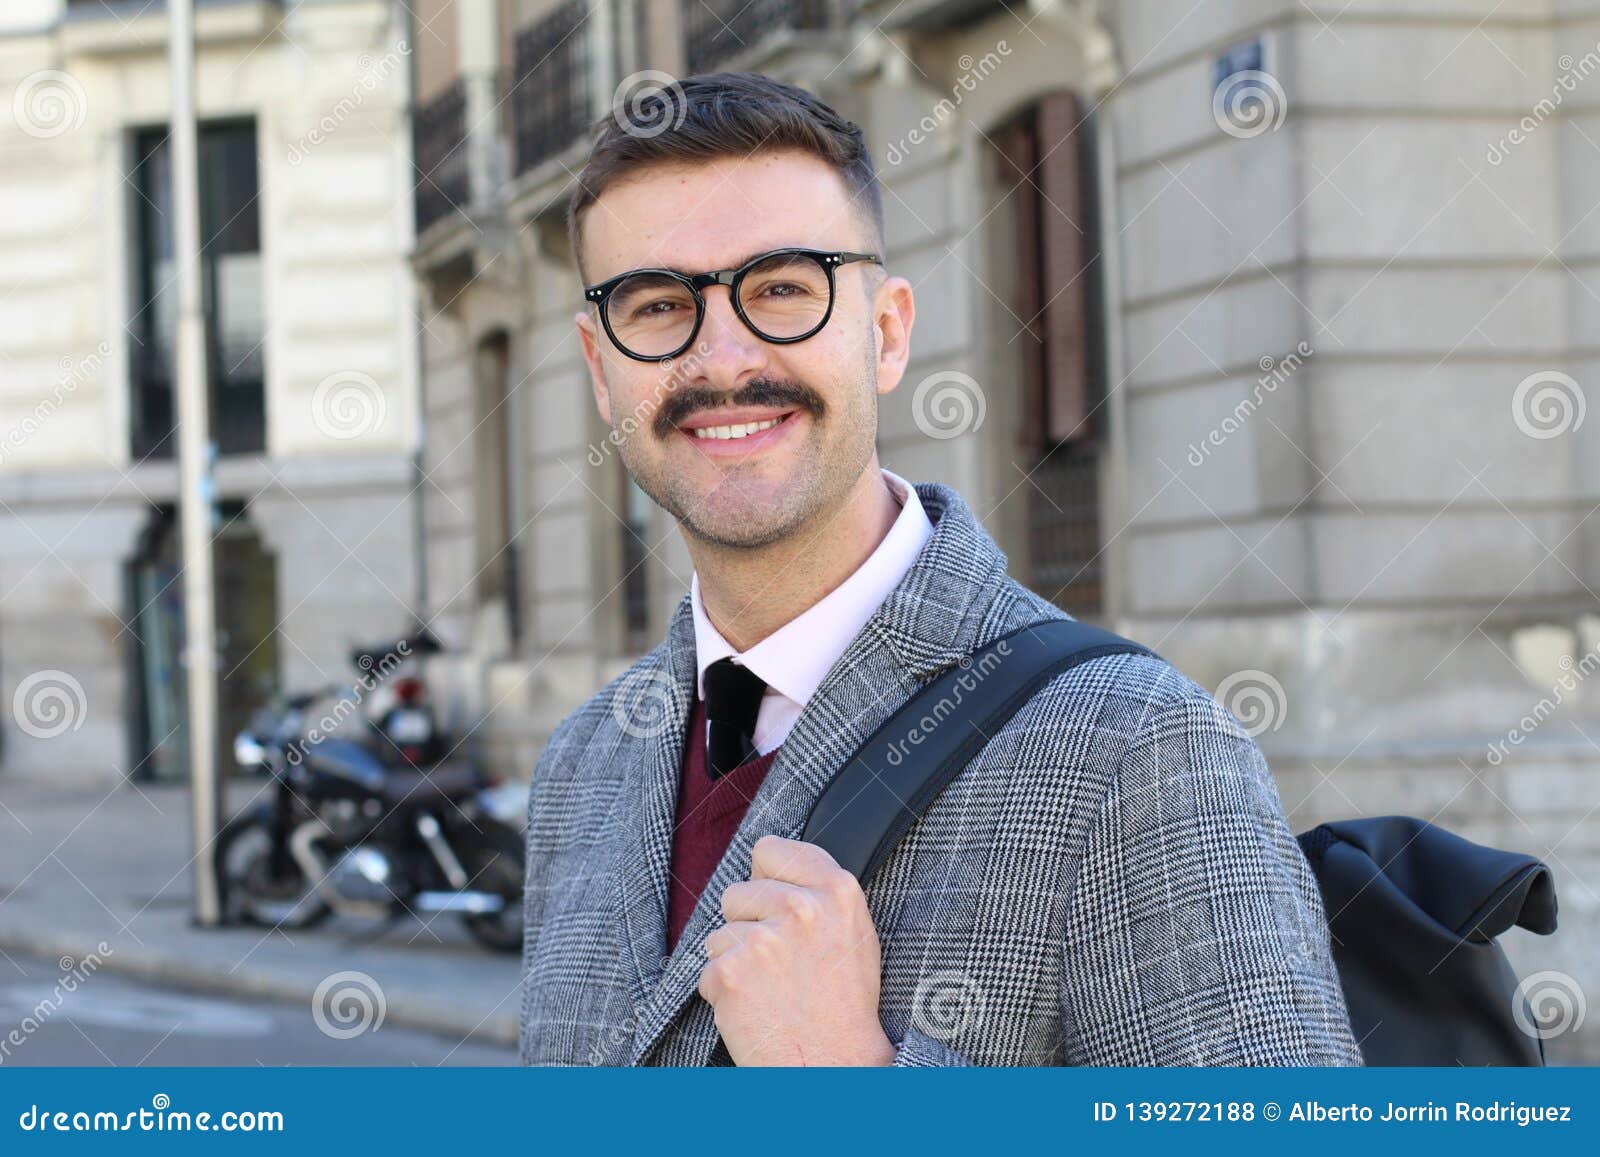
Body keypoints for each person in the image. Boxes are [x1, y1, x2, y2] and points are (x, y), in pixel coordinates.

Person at [518, 71, 1361, 1067]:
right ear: (598, 363)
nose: (724, 354)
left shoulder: (1136, 747)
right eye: (657, 305)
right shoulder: (580, 765)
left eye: (783, 287)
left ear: (885, 332)